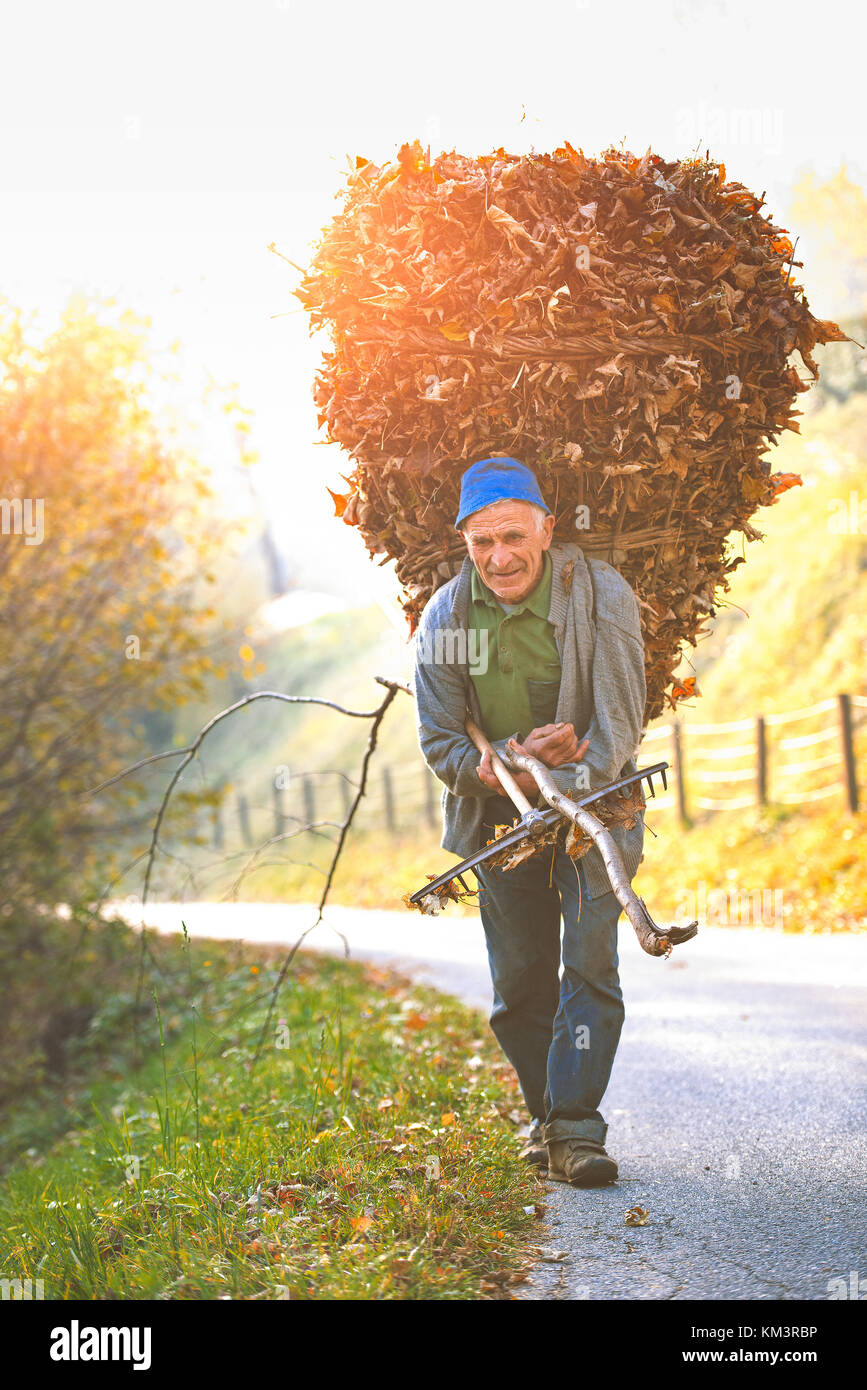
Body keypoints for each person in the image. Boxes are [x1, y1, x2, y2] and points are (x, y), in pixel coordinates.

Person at [411, 456, 647, 1186]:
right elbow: (442, 743)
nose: (498, 557)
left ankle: (576, 1129)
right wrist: (509, 764)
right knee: (518, 982)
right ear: (464, 543)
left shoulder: (599, 595)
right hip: (496, 820)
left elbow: (617, 726)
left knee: (589, 960)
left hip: (592, 808)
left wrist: (559, 785)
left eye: (513, 536)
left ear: (546, 529)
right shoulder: (449, 618)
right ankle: (546, 1115)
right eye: (481, 542)